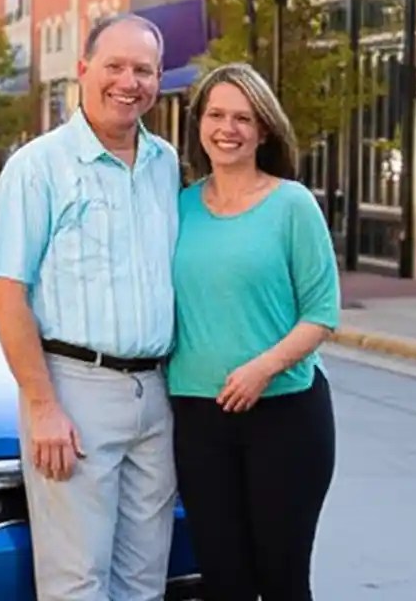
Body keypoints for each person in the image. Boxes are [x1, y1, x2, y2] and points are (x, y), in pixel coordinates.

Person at [0, 12, 181, 601]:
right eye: (114, 66)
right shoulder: (37, 167)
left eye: (143, 70)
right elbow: (7, 290)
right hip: (75, 389)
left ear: (159, 79)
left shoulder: (165, 164)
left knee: (144, 582)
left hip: (156, 394)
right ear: (82, 71)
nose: (129, 81)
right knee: (78, 580)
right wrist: (43, 405)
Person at [168, 63, 340, 601]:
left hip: (285, 417)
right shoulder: (178, 207)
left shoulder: (292, 205)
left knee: (282, 579)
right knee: (222, 581)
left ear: (264, 129)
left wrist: (262, 369)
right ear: (199, 124)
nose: (228, 128)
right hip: (197, 418)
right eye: (216, 114)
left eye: (243, 117)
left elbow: (322, 311)